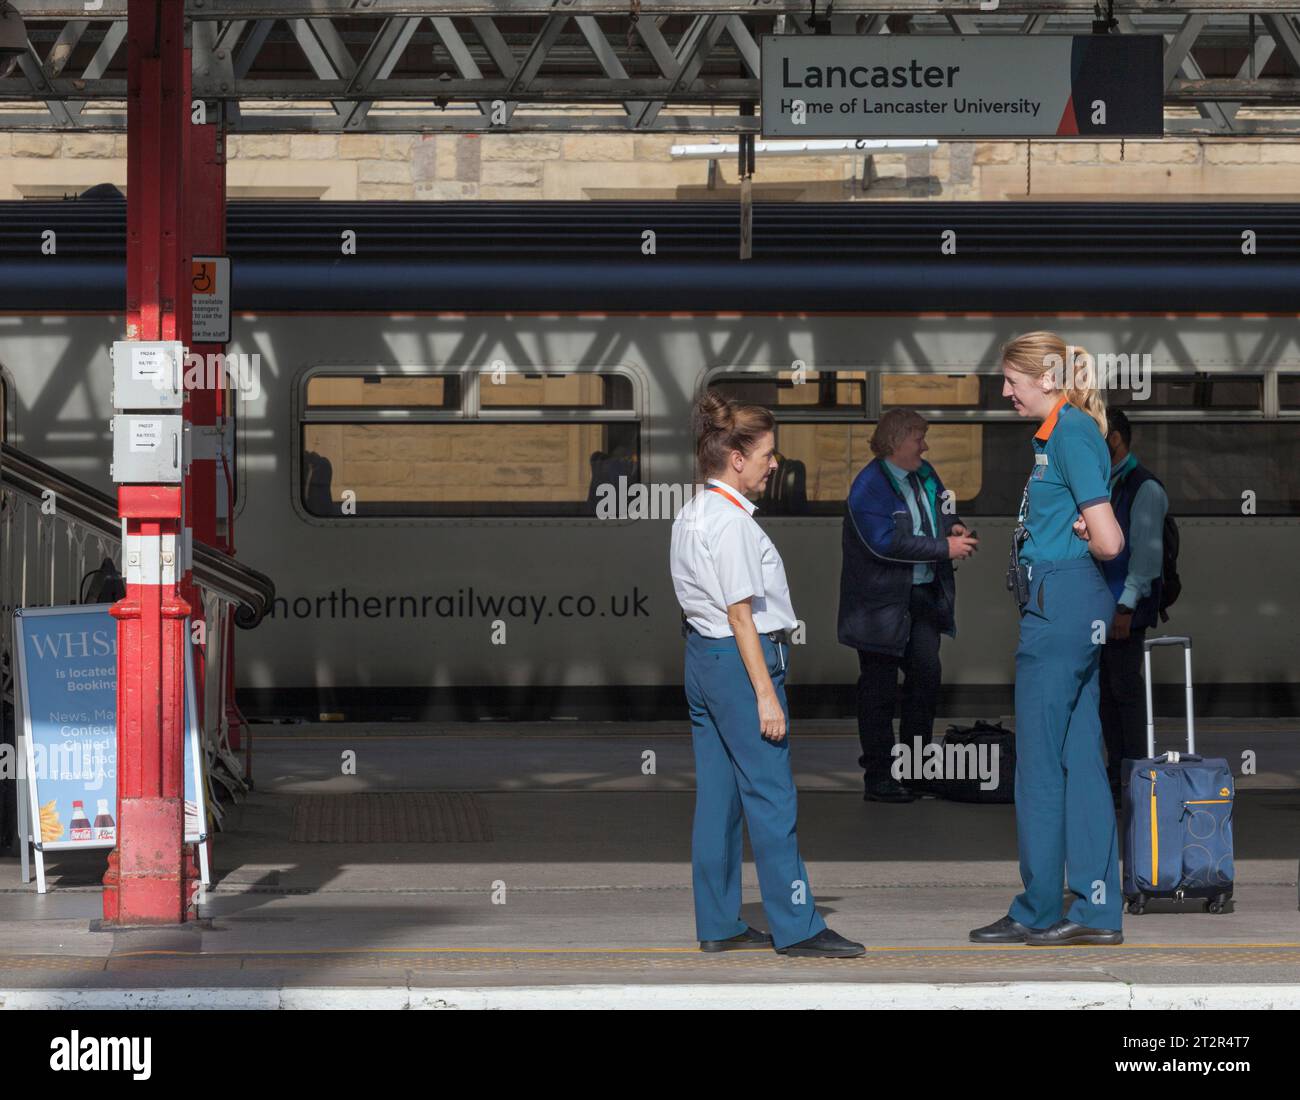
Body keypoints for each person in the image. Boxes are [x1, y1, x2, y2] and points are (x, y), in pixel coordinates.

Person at [671, 390, 864, 958]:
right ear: (736, 457)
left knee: (718, 800)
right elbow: (740, 615)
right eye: (767, 454)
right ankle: (798, 925)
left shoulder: (691, 512)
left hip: (703, 660)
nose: (774, 464)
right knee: (772, 797)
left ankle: (719, 921)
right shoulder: (731, 524)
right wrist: (766, 696)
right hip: (740, 664)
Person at [970, 332, 1126, 947]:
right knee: (1081, 758)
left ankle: (1036, 908)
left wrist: (1090, 531)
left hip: (1058, 606)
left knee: (1038, 762)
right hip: (1072, 604)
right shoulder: (1067, 434)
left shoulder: (1070, 435)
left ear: (1048, 379)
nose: (1005, 391)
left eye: (1013, 380)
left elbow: (1110, 540)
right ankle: (1095, 908)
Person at [837, 408, 978, 803]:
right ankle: (879, 777)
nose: (925, 445)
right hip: (880, 608)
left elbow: (943, 507)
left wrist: (953, 525)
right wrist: (943, 547)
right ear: (897, 441)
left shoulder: (925, 474)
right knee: (879, 691)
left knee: (924, 683)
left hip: (920, 599)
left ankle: (915, 772)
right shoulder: (869, 487)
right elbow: (883, 543)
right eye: (919, 438)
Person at [1099, 409, 1169, 798]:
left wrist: (1125, 609)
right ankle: (1116, 770)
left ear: (1114, 439)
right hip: (1101, 608)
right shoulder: (1108, 483)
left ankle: (1135, 774)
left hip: (1123, 608)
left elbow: (1145, 560)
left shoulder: (1144, 488)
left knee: (1125, 692)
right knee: (1107, 694)